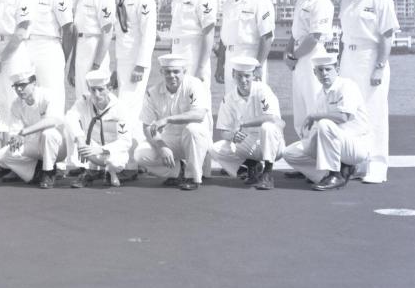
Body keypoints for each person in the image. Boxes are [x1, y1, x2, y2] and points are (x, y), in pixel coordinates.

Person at [337, 0, 398, 183]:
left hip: (371, 59)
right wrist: (339, 64)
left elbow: (387, 36)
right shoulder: (345, 0)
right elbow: (344, 36)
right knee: (351, 113)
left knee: (374, 113)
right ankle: (356, 163)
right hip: (348, 61)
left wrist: (380, 67)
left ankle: (377, 165)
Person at [282, 51, 372, 190]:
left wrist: (314, 116)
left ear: (336, 70)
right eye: (320, 70)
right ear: (315, 73)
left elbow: (343, 117)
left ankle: (336, 175)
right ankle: (322, 174)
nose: (324, 73)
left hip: (355, 146)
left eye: (328, 69)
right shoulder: (321, 94)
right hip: (334, 143)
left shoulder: (346, 86)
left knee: (324, 124)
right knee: (289, 152)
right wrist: (309, 140)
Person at [133, 54, 213, 191]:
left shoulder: (195, 84)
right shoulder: (153, 92)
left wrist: (168, 119)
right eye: (167, 71)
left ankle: (192, 176)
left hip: (197, 140)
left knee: (192, 129)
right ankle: (177, 172)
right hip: (171, 140)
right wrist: (161, 146)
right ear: (161, 72)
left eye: (176, 71)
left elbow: (199, 115)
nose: (172, 75)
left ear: (184, 71)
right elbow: (146, 125)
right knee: (140, 154)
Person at [210, 57, 286, 190]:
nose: (243, 80)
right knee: (214, 149)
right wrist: (232, 136)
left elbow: (272, 118)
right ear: (233, 75)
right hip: (249, 142)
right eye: (239, 76)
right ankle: (250, 167)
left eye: (247, 76)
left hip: (273, 145)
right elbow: (223, 131)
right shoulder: (228, 99)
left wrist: (245, 123)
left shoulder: (263, 90)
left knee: (267, 127)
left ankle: (267, 173)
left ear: (253, 75)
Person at [283, 0, 335, 144]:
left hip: (312, 56)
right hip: (299, 56)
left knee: (314, 105)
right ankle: (305, 159)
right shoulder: (302, 0)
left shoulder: (320, 1)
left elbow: (314, 37)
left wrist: (293, 56)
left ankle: (319, 162)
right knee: (300, 107)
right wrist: (288, 52)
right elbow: (296, 32)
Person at [24, 0, 74, 127]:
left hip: (49, 48)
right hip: (26, 49)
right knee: (30, 98)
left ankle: (58, 144)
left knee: (53, 97)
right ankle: (34, 144)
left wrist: (63, 58)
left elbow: (68, 29)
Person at [65, 70, 137, 188]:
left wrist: (101, 150)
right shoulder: (84, 101)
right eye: (93, 90)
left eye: (101, 89)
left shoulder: (120, 108)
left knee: (115, 162)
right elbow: (70, 117)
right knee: (70, 130)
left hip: (111, 150)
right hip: (90, 146)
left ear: (109, 88)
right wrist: (80, 139)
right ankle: (87, 171)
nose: (96, 94)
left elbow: (125, 141)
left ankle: (110, 172)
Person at [0, 67, 64, 189]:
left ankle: (49, 172)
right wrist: (16, 138)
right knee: (3, 155)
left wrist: (24, 132)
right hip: (35, 145)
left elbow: (53, 120)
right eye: (16, 86)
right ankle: (35, 172)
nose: (19, 89)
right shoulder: (16, 104)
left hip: (58, 147)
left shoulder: (48, 95)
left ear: (34, 83)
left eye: (23, 85)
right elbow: (14, 131)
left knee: (48, 133)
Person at [214, 0, 274, 98]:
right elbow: (224, 39)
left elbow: (267, 37)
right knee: (232, 103)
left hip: (250, 60)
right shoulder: (228, 4)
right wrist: (219, 65)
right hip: (230, 61)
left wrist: (258, 67)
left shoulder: (261, 2)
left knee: (253, 104)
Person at [107, 0, 157, 121]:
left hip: (136, 62)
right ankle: (134, 141)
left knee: (128, 107)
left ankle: (129, 144)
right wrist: (117, 67)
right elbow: (123, 36)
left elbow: (148, 34)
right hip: (124, 61)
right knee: (128, 104)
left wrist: (141, 65)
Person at [68, 0, 115, 97]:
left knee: (97, 97)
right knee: (82, 98)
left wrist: (96, 64)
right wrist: (72, 67)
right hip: (81, 51)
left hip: (95, 49)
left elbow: (107, 32)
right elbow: (76, 34)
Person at [169, 0, 217, 83]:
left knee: (197, 99)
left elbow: (209, 32)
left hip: (194, 56)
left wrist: (201, 67)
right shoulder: (176, 0)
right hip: (176, 55)